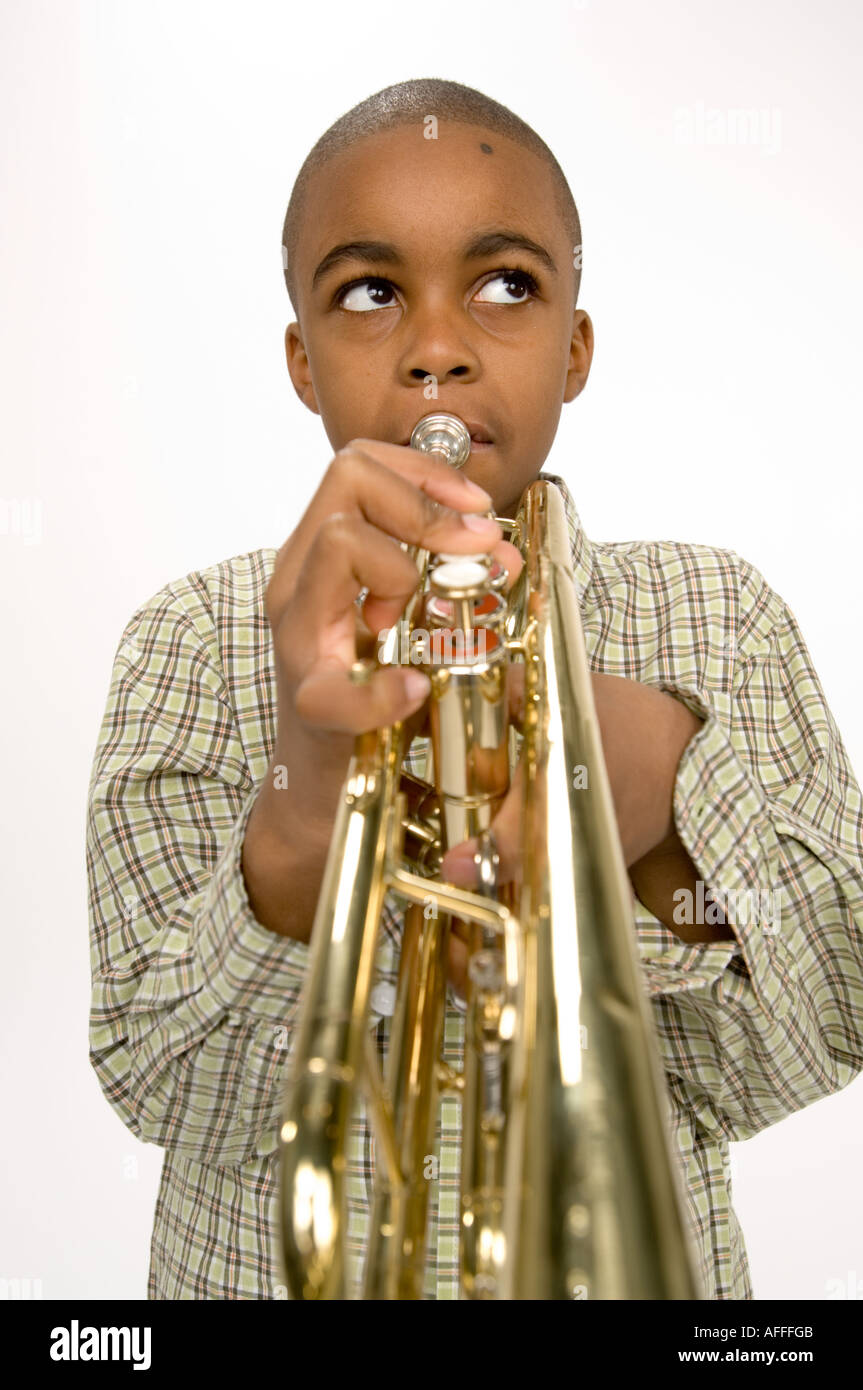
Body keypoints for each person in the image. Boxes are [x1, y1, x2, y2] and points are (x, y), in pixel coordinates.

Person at [86, 77, 863, 1300]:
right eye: (369, 293)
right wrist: (302, 786)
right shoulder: (187, 641)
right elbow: (160, 1087)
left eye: (506, 285)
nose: (436, 347)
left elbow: (807, 1044)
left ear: (575, 347)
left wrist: (662, 811)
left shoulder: (714, 621)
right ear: (300, 359)